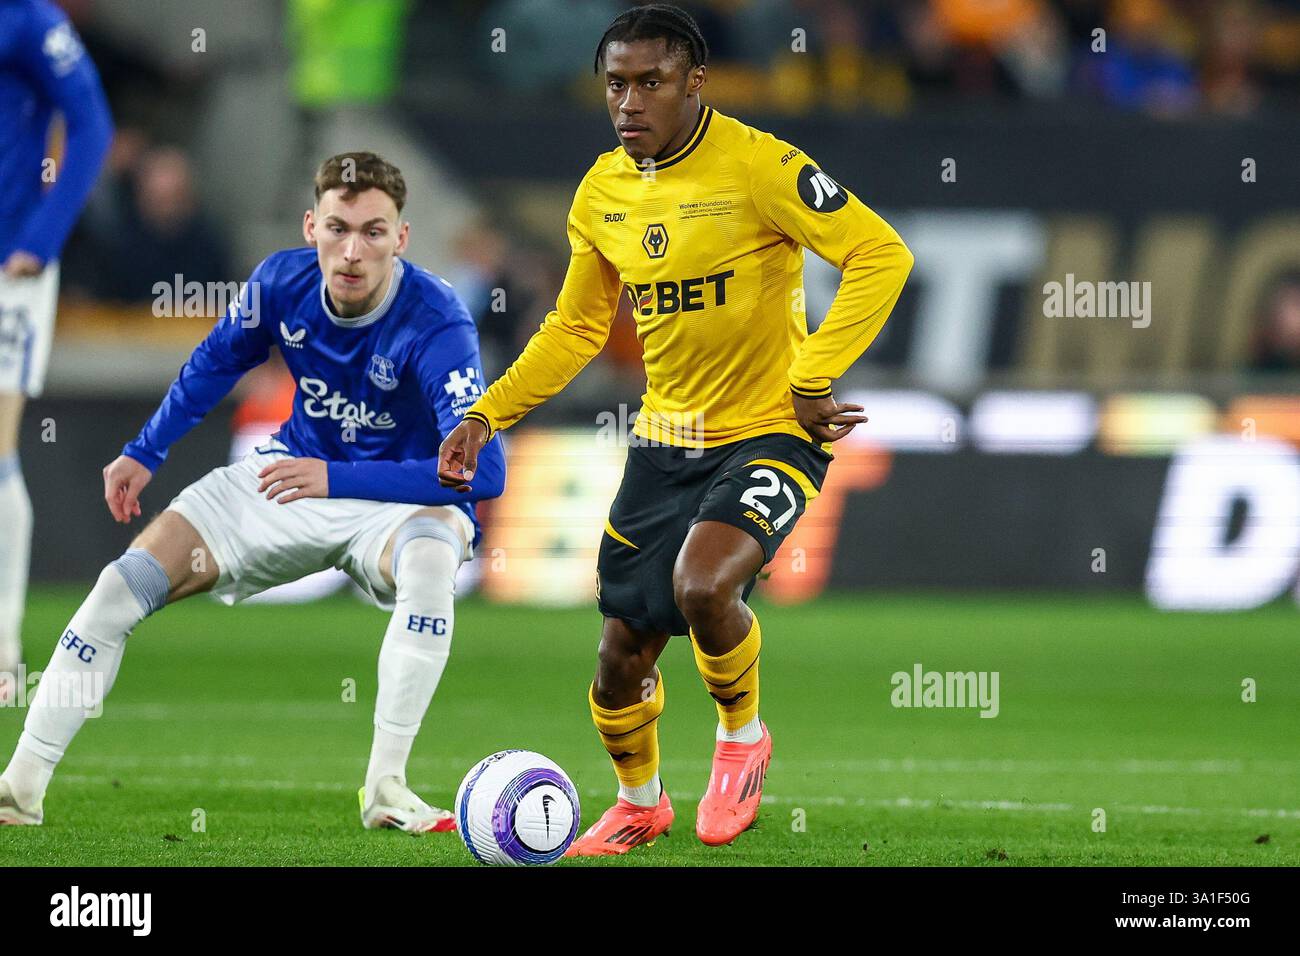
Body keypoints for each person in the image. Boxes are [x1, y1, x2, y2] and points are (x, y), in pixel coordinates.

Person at [437, 4, 912, 855]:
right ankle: (639, 802)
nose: (629, 102)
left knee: (703, 586)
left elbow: (881, 254)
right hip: (666, 441)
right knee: (621, 652)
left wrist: (812, 376)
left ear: (696, 82)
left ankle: (741, 740)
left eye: (650, 82)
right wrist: (487, 413)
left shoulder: (762, 165)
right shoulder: (603, 190)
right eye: (616, 84)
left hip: (773, 430)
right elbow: (577, 328)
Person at [0, 152, 506, 830]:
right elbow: (213, 364)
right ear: (310, 227)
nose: (352, 251)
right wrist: (144, 450)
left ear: (402, 239)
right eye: (338, 227)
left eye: (374, 232)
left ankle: (386, 787)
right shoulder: (279, 283)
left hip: (395, 502)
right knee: (118, 588)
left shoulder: (438, 320)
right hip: (287, 478)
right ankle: (20, 788)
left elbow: (484, 471)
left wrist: (338, 477)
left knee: (430, 562)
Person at [0, 0, 114, 705]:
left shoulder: (30, 19)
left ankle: (4, 651)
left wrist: (38, 243)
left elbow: (93, 125)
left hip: (9, 267)